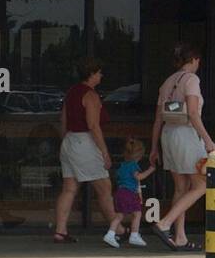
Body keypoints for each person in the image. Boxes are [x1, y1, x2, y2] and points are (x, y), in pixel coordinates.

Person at [149, 42, 215, 251]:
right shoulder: (191, 80)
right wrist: (207, 140)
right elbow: (193, 113)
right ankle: (165, 223)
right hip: (186, 135)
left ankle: (180, 236)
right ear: (195, 60)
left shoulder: (167, 82)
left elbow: (158, 119)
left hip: (168, 134)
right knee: (201, 185)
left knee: (181, 187)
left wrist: (154, 148)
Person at [53, 57, 120, 244]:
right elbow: (93, 125)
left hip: (69, 140)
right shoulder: (90, 95)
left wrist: (65, 140)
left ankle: (60, 230)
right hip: (85, 141)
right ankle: (118, 227)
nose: (101, 76)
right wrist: (104, 152)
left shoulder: (72, 92)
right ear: (91, 74)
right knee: (104, 187)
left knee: (69, 188)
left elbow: (63, 120)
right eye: (99, 73)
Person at [105, 138, 156, 248]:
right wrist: (151, 169)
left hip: (120, 192)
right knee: (137, 214)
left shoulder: (122, 165)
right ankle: (134, 234)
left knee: (119, 216)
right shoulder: (133, 166)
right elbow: (138, 177)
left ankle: (110, 233)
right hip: (129, 193)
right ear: (140, 155)